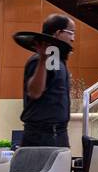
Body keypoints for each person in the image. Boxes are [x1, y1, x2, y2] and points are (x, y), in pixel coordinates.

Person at [21, 14, 77, 148]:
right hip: (41, 136)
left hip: (59, 133)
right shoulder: (39, 60)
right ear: (58, 33)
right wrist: (42, 60)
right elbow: (34, 92)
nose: (73, 39)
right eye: (71, 33)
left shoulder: (57, 61)